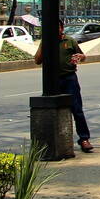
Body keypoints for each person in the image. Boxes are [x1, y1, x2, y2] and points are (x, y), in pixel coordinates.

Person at [35, 19, 93, 152]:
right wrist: (44, 44)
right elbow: (37, 60)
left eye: (57, 28)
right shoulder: (46, 41)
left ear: (62, 29)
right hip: (52, 81)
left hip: (69, 78)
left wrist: (80, 57)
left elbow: (82, 56)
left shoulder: (70, 41)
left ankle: (84, 139)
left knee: (77, 109)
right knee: (52, 109)